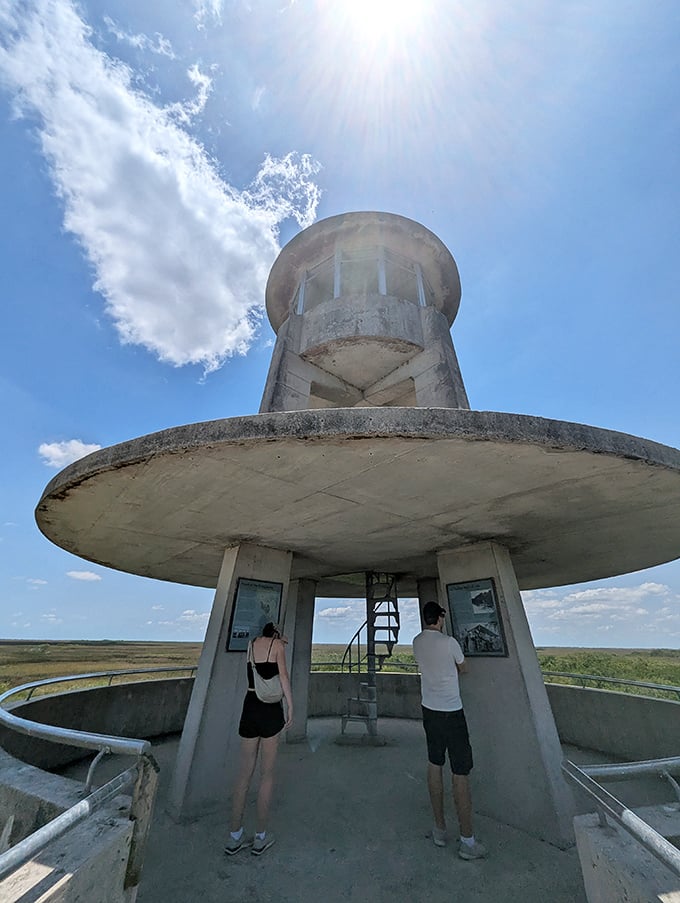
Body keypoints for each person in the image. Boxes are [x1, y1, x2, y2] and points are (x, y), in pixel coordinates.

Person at [412, 601, 487, 861]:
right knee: (460, 772)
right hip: (452, 711)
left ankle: (439, 829)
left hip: (429, 710)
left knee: (435, 764)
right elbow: (463, 667)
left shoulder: (417, 642)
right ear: (441, 618)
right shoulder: (449, 642)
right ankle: (467, 840)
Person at [225, 621, 293, 856]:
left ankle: (234, 836)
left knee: (244, 775)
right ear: (276, 633)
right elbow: (282, 676)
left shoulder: (251, 645)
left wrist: (276, 637)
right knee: (267, 776)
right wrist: (291, 706)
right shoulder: (279, 647)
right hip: (270, 711)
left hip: (250, 708)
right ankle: (260, 837)